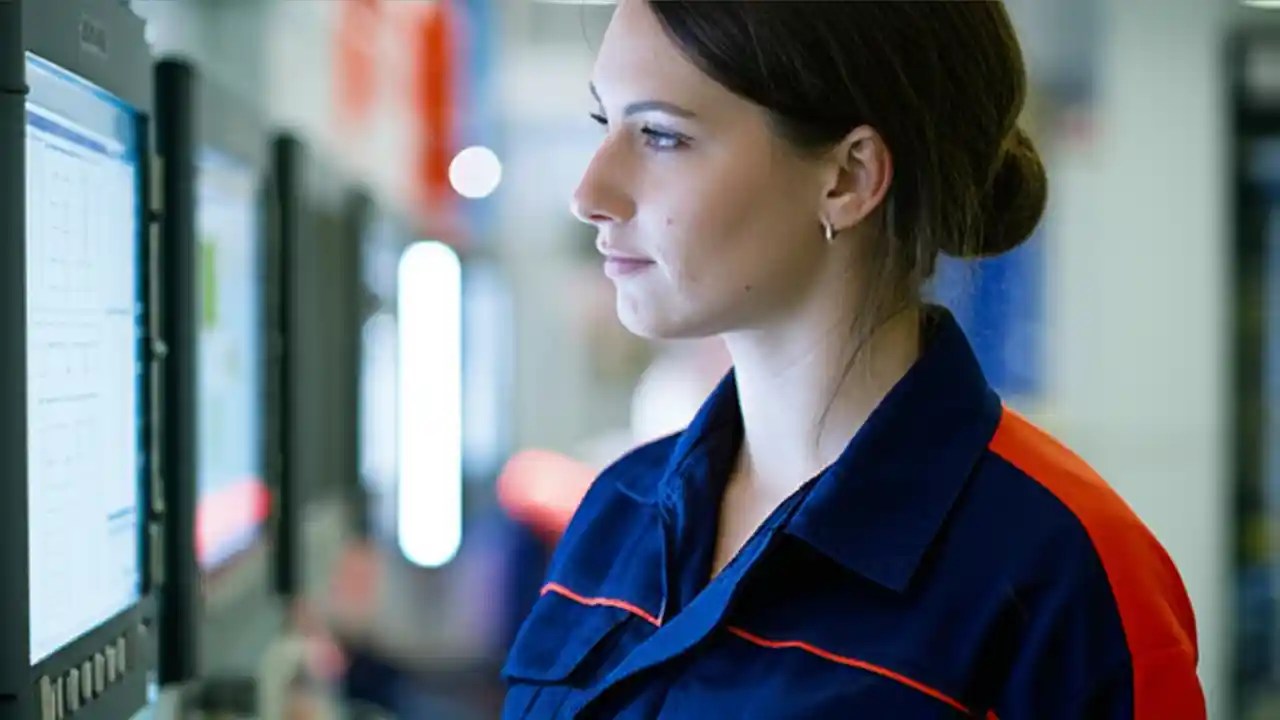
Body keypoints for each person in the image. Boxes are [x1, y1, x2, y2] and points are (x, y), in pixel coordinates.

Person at [501, 1, 1205, 718]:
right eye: (604, 123)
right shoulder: (618, 513)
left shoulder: (1058, 570)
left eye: (659, 135)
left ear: (848, 177)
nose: (589, 194)